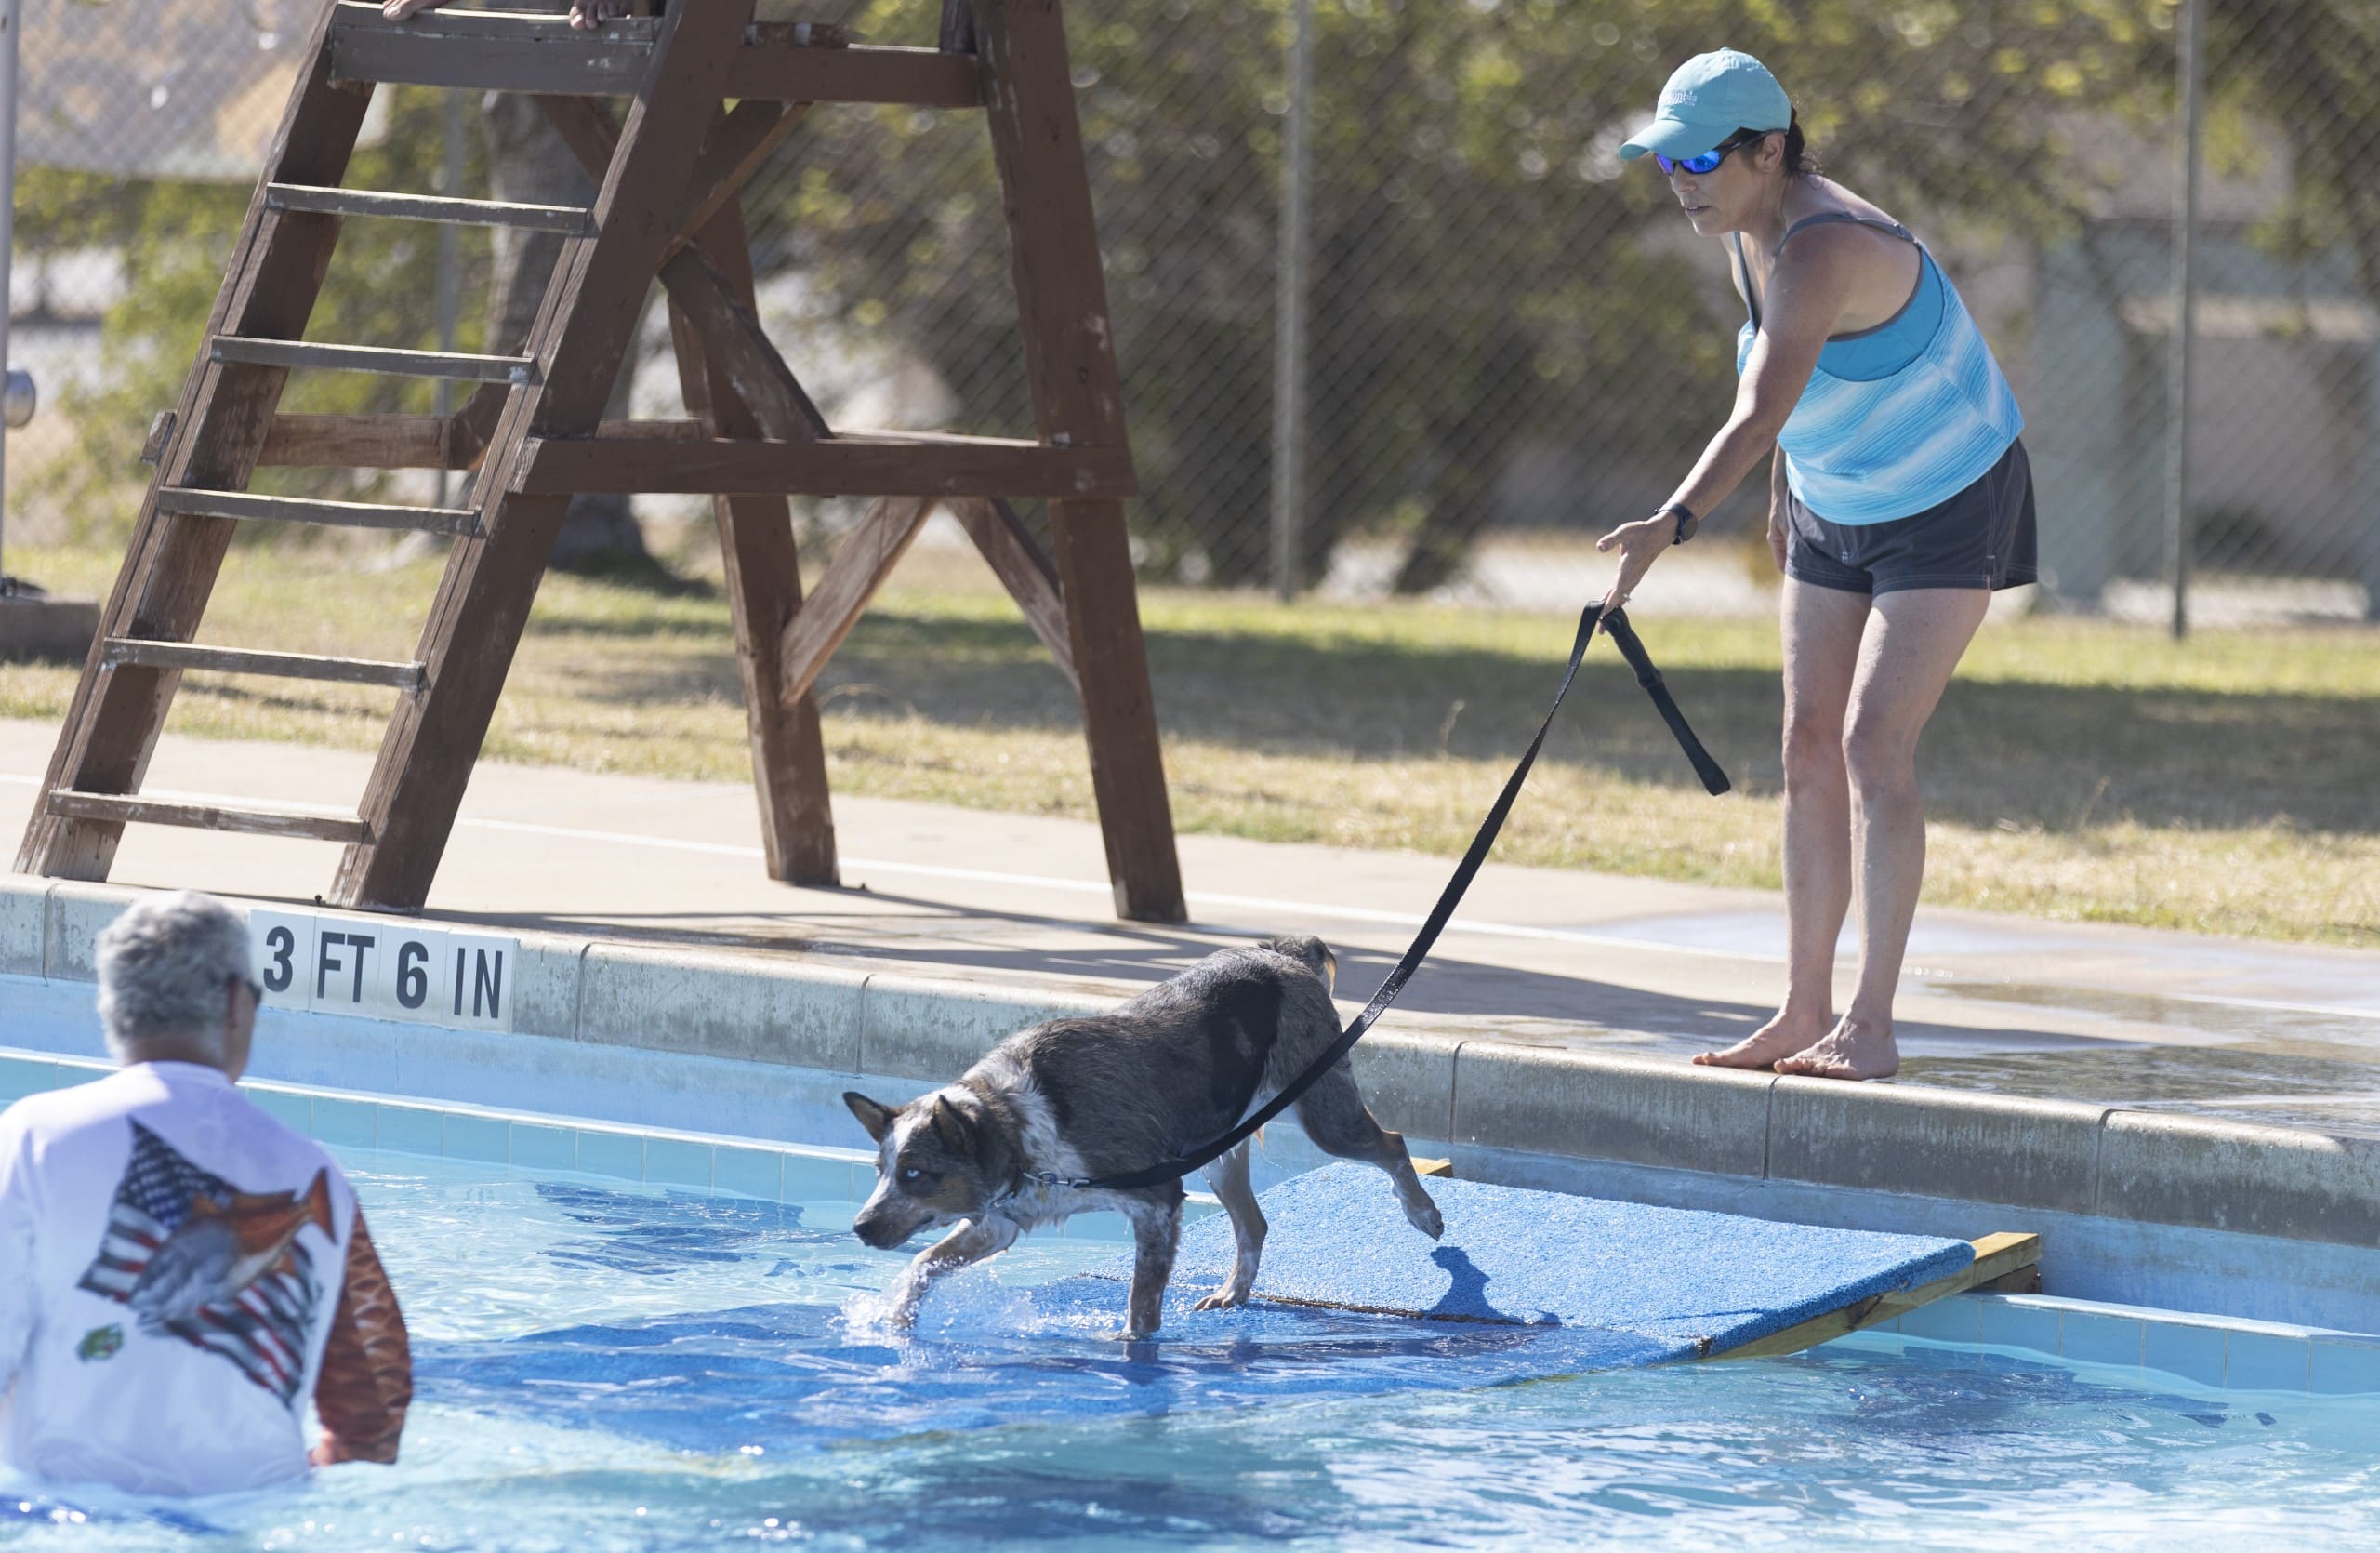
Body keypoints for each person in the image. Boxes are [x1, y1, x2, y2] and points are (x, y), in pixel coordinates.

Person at [1595, 49, 2032, 1082]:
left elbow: (1758, 407)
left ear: (1771, 149)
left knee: (1875, 745)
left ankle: (1870, 1028)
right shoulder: (1742, 233)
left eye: (1703, 157)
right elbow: (1786, 378)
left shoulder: (1826, 244)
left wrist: (1672, 519)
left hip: (1948, 495)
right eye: (1668, 162)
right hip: (1837, 497)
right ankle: (1802, 1009)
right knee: (1804, 746)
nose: (1683, 181)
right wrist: (1792, 493)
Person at [0, 892, 412, 1495]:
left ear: (111, 1005)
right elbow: (373, 1420)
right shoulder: (316, 1176)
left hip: (62, 1517)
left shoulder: (30, 1138)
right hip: (249, 1523)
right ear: (234, 1003)